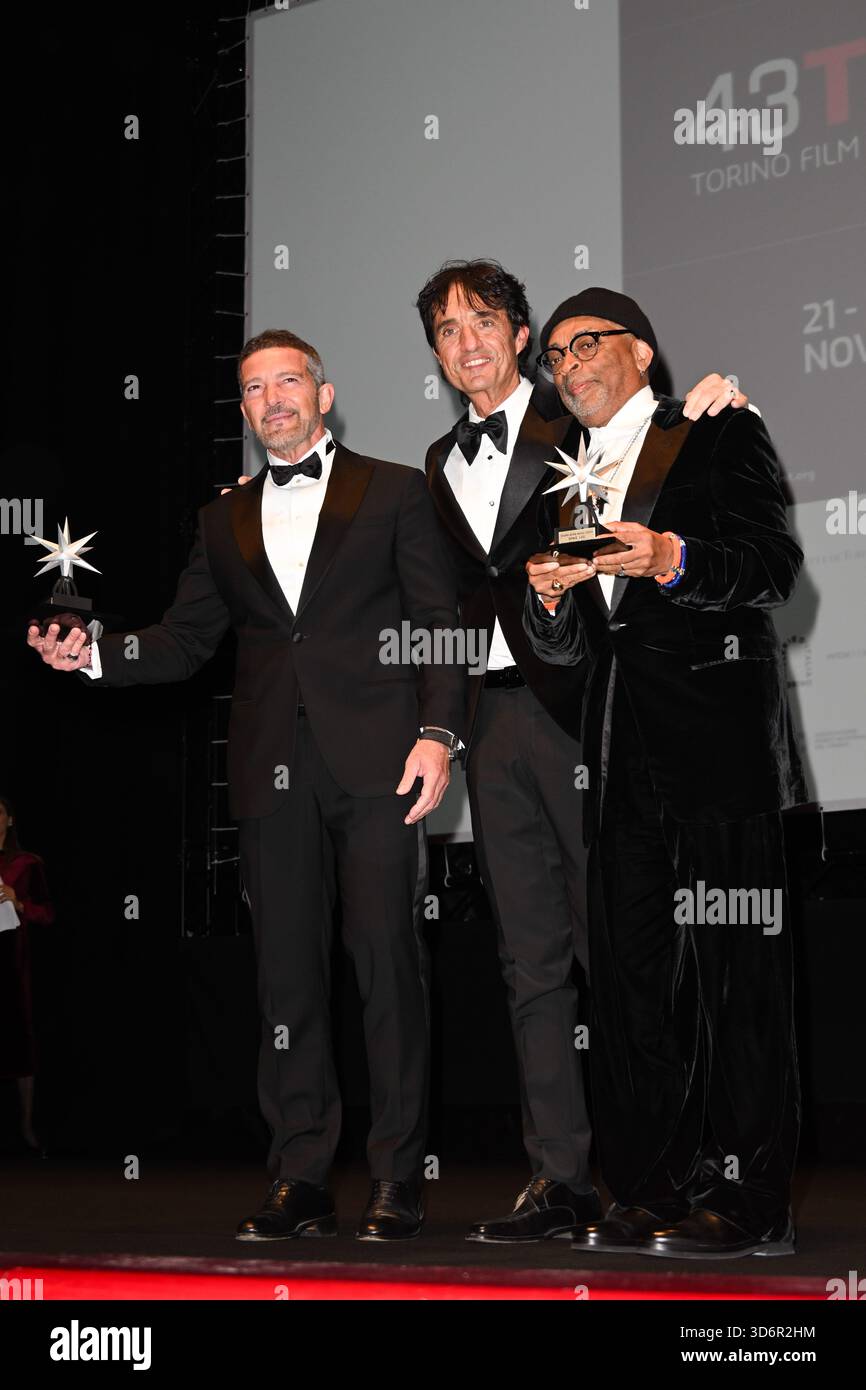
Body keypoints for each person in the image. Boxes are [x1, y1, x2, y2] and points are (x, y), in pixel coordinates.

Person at [27, 329, 465, 1242]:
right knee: (286, 982)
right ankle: (300, 1175)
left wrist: (437, 734)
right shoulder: (220, 519)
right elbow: (184, 641)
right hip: (271, 776)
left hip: (383, 762)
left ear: (324, 391)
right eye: (255, 387)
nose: (272, 398)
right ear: (245, 408)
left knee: (388, 968)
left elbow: (438, 620)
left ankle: (397, 1176)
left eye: (288, 381)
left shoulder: (393, 490)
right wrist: (93, 657)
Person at [416, 260, 752, 1241]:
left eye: (482, 321)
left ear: (522, 334)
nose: (464, 341)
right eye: (444, 330)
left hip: (592, 710)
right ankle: (558, 1179)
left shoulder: (583, 419)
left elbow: (673, 462)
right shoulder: (436, 461)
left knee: (631, 952)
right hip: (493, 722)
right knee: (528, 963)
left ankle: (675, 1170)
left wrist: (719, 407)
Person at [524, 287, 805, 1258]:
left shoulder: (716, 430)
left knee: (735, 984)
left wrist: (671, 556)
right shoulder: (566, 485)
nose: (567, 364)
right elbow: (565, 654)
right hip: (614, 760)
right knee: (634, 983)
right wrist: (547, 602)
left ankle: (747, 1196)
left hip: (719, 750)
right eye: (554, 356)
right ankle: (649, 1184)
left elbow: (770, 568)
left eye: (585, 344)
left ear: (640, 353)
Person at [0, 795, 55, 1156]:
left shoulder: (27, 863)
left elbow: (47, 914)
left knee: (20, 1045)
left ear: (9, 820)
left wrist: (17, 901)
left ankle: (25, 1126)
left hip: (11, 964)